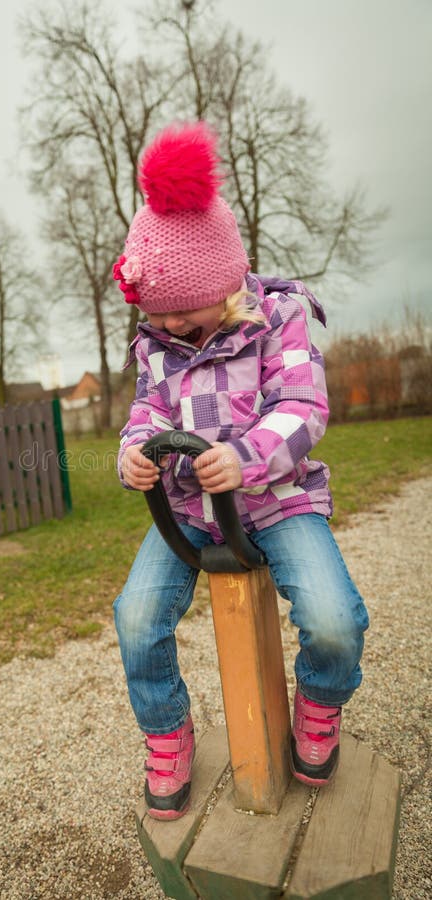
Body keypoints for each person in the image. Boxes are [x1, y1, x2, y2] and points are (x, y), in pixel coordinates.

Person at [112, 121, 369, 821]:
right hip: (190, 515)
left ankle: (318, 703)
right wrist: (135, 454)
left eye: (183, 314)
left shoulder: (278, 316)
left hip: (278, 501)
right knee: (135, 616)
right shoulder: (156, 338)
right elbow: (146, 411)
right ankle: (168, 733)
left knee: (332, 618)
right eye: (158, 317)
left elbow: (303, 406)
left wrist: (247, 456)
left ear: (222, 286)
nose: (170, 328)